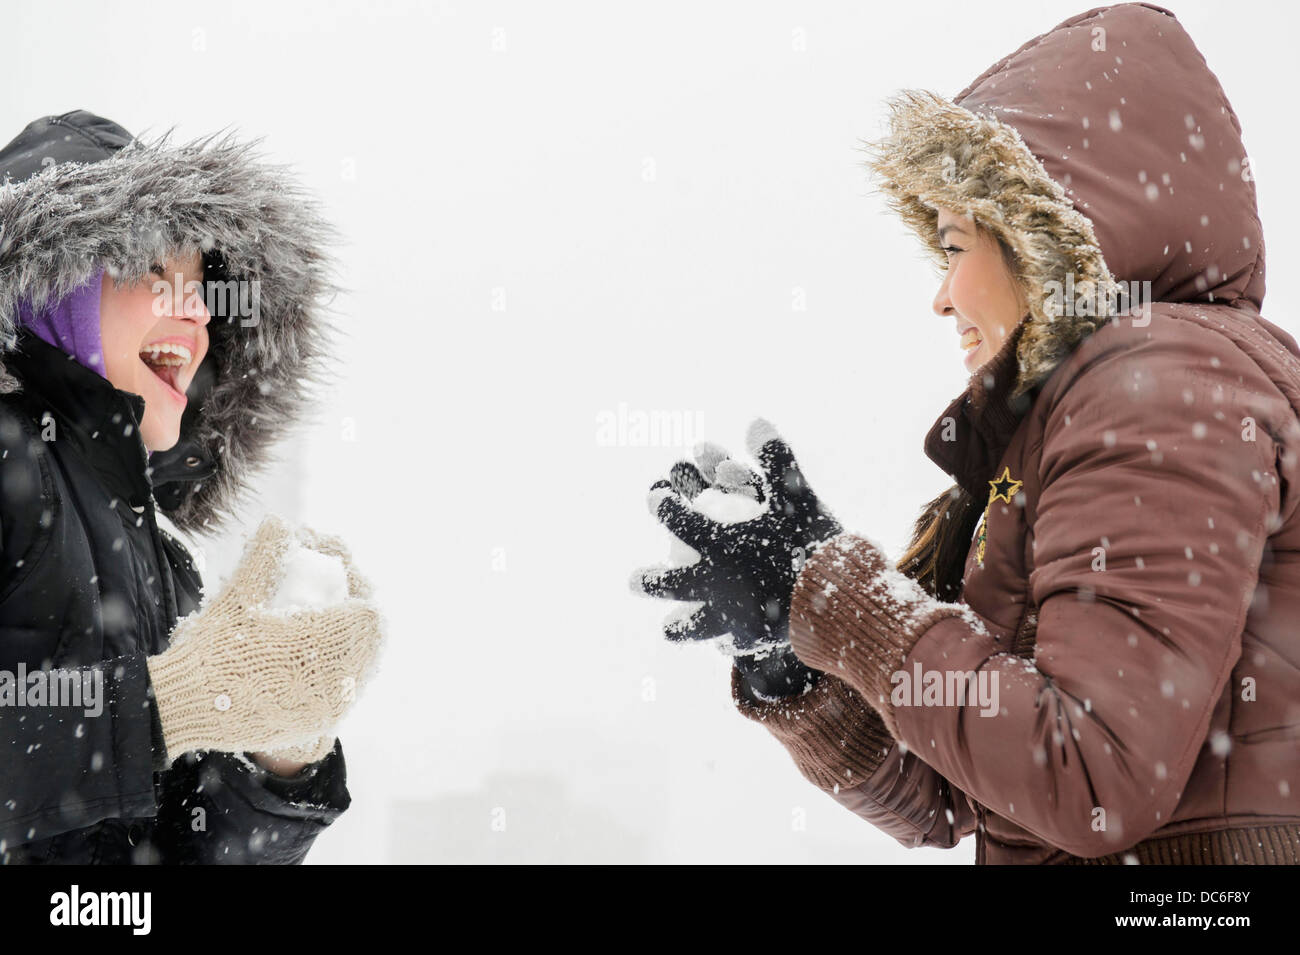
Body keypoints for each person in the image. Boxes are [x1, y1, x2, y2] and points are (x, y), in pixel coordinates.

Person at [635, 3, 1300, 864]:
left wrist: (831, 593)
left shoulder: (1157, 381)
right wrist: (794, 652)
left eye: (953, 246)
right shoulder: (1105, 397)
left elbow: (1092, 780)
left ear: (1044, 238)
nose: (941, 296)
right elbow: (961, 795)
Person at [0, 110, 383, 864]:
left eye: (202, 283)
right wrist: (170, 702)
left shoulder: (161, 555)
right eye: (153, 273)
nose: (199, 311)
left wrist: (278, 753)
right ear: (57, 289)